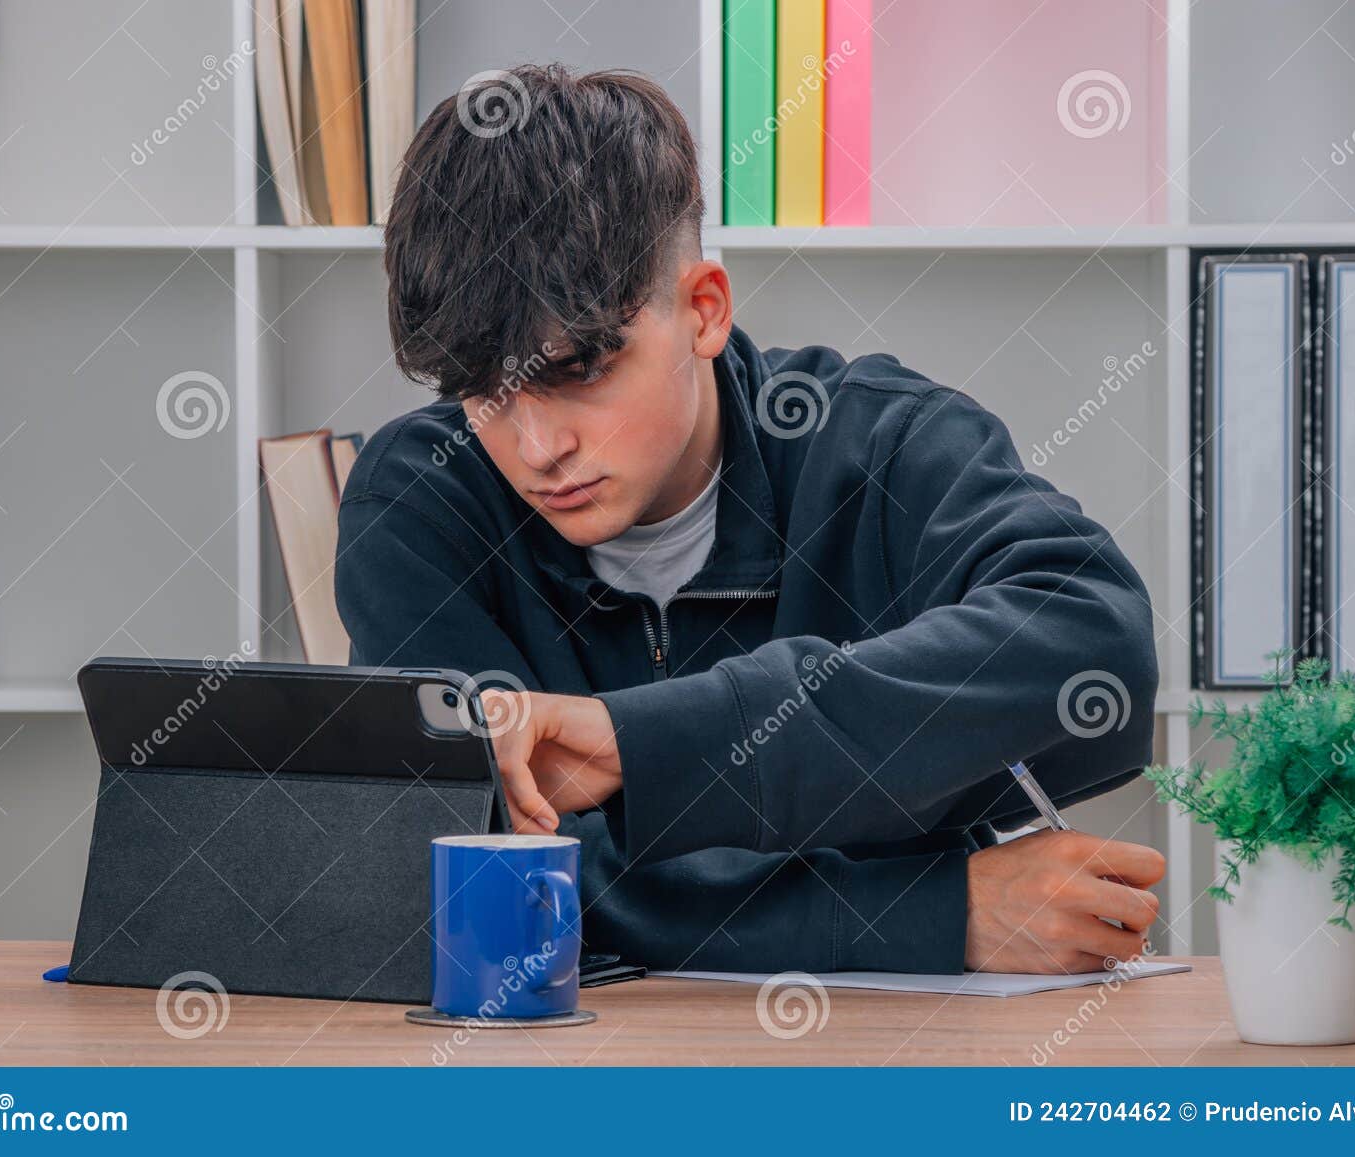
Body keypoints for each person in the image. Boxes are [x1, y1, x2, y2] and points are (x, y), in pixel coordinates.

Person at [335, 64, 1164, 975]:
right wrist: (939, 913)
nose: (535, 447)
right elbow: (514, 880)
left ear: (703, 310)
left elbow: (1097, 642)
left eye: (576, 372)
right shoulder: (419, 497)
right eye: (481, 392)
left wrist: (638, 740)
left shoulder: (880, 442)